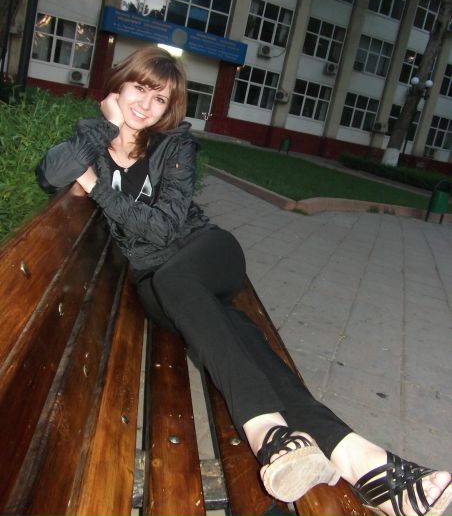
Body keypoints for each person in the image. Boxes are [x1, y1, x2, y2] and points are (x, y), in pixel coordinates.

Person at [36, 45, 451, 516]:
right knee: (238, 334)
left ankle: (265, 431)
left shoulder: (175, 146)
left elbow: (163, 229)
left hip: (208, 253)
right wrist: (107, 128)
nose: (146, 105)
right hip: (158, 283)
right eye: (140, 89)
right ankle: (360, 458)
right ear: (119, 87)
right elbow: (52, 174)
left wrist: (95, 185)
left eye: (160, 98)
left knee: (178, 282)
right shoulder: (95, 138)